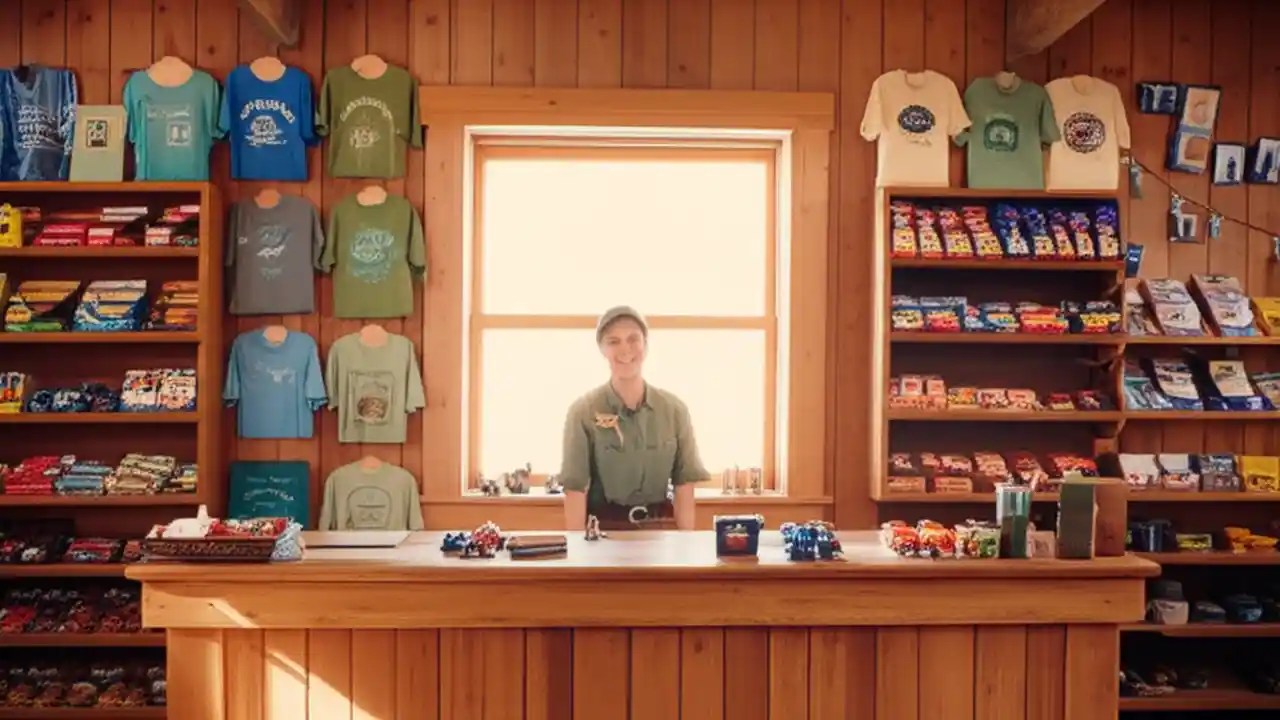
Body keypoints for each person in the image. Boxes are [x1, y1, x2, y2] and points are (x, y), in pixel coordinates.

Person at [558, 306, 706, 531]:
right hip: (604, 535)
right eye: (613, 341)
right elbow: (575, 490)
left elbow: (684, 486)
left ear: (645, 345)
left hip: (661, 535)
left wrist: (686, 549)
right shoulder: (583, 412)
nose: (625, 349)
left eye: (633, 339)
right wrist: (579, 559)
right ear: (602, 349)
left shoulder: (675, 410)